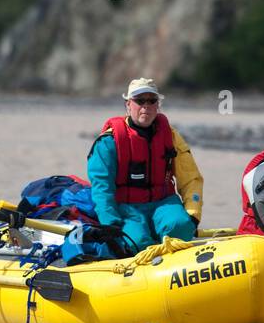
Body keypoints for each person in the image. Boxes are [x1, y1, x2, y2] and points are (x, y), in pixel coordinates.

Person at [87, 78, 204, 253]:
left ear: (158, 105)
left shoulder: (170, 136)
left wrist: (192, 214)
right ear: (128, 104)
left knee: (181, 226)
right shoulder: (109, 142)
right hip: (127, 207)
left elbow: (190, 178)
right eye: (140, 101)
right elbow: (101, 188)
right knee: (137, 242)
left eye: (152, 101)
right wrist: (110, 224)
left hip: (163, 203)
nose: (146, 106)